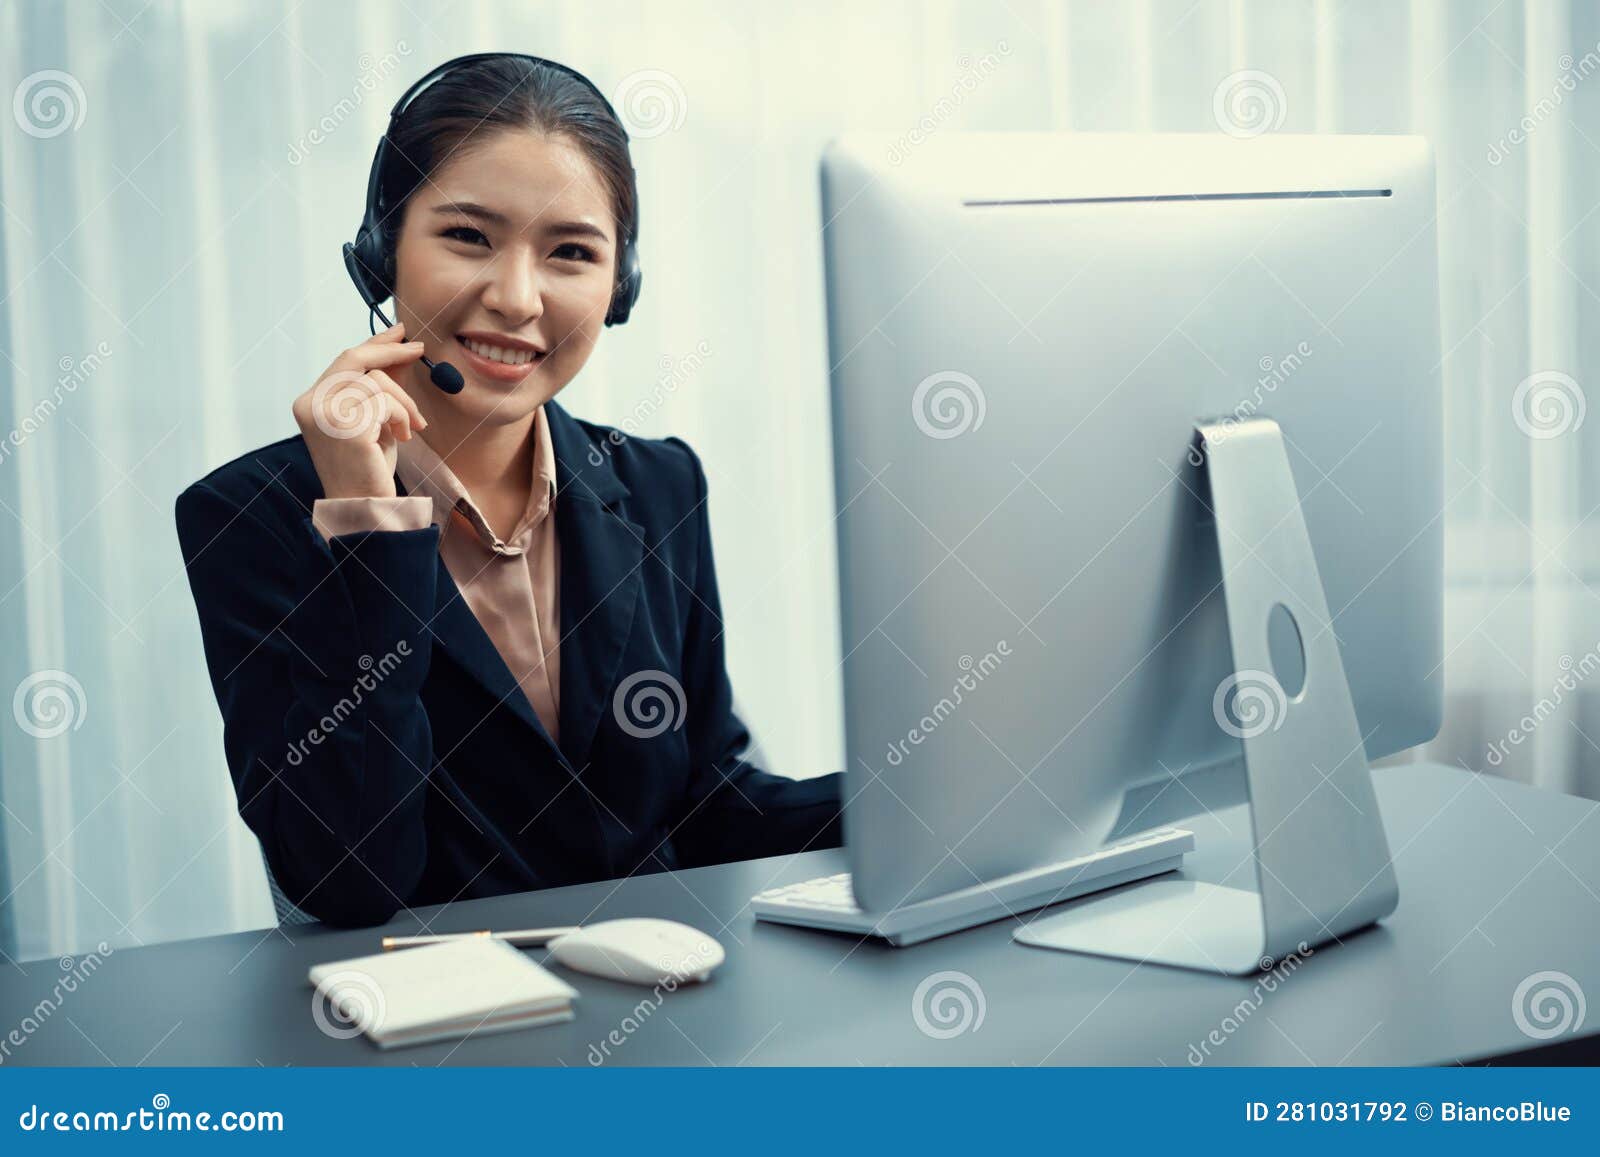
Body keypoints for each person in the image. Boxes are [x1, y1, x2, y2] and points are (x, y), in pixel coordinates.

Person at [174, 54, 843, 928]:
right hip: (430, 1043)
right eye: (467, 237)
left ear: (619, 287)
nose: (517, 297)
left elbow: (705, 803)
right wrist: (372, 527)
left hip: (660, 1018)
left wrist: (913, 790)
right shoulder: (252, 515)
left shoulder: (658, 483)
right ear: (382, 253)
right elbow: (348, 878)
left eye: (571, 252)